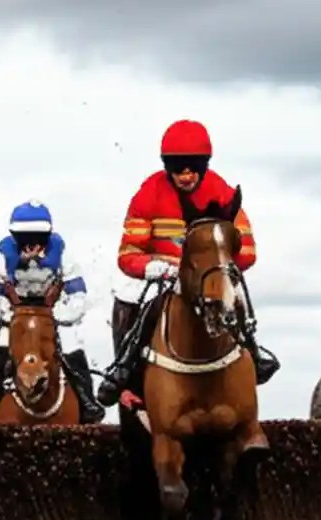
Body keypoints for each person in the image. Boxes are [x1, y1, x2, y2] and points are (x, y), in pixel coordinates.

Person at [95, 118, 279, 406]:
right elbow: (128, 254)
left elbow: (247, 252)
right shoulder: (148, 194)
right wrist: (150, 267)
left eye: (193, 167)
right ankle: (123, 370)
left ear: (204, 166)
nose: (186, 175)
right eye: (178, 168)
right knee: (126, 293)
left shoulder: (223, 193)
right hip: (163, 275)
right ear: (167, 167)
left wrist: (215, 264)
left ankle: (253, 353)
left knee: (236, 293)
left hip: (209, 275)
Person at [0, 200, 105, 423]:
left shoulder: (62, 252)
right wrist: (3, 311)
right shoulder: (1, 252)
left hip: (51, 315)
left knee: (72, 341)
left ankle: (87, 400)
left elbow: (78, 292)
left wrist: (63, 314)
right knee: (2, 341)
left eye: (37, 237)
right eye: (24, 238)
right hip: (15, 315)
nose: (31, 244)